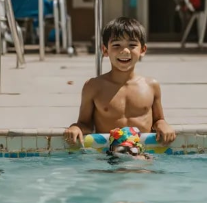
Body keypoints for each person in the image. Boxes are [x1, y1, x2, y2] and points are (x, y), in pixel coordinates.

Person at [63, 18, 176, 147]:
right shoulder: (93, 87)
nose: (125, 51)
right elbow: (85, 124)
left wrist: (163, 124)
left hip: (143, 155)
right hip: (109, 157)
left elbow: (158, 120)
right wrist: (76, 128)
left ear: (143, 50)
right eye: (116, 45)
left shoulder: (151, 86)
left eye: (132, 45)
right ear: (105, 50)